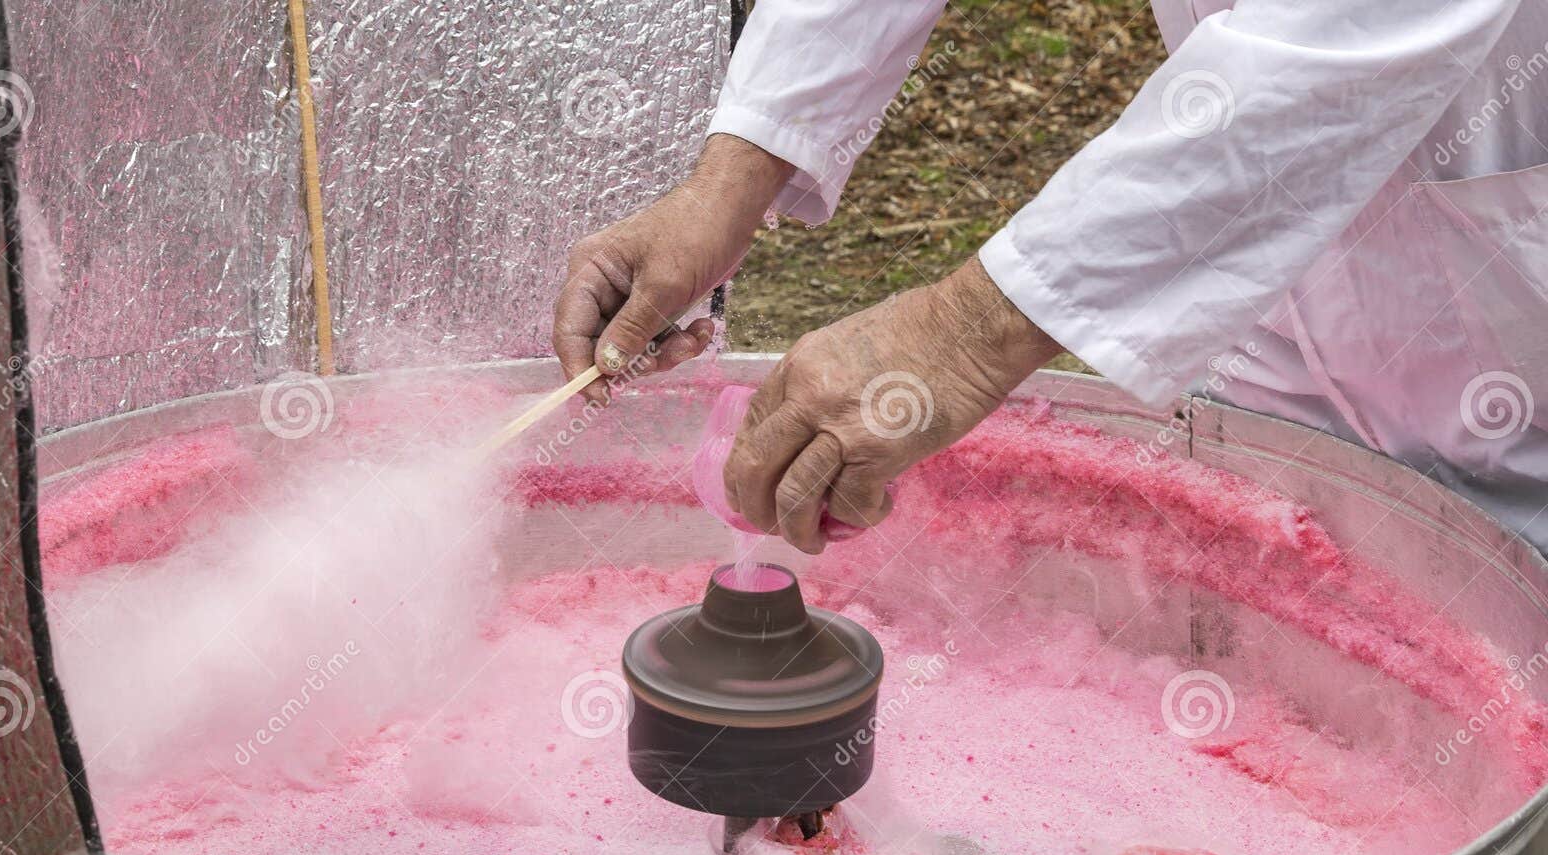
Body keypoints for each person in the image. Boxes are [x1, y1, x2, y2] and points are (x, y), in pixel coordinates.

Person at [554, 1, 1548, 554]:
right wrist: (731, 180)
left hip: (1519, 346)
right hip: (1279, 325)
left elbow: (1326, 55)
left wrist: (957, 335)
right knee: (1297, 620)